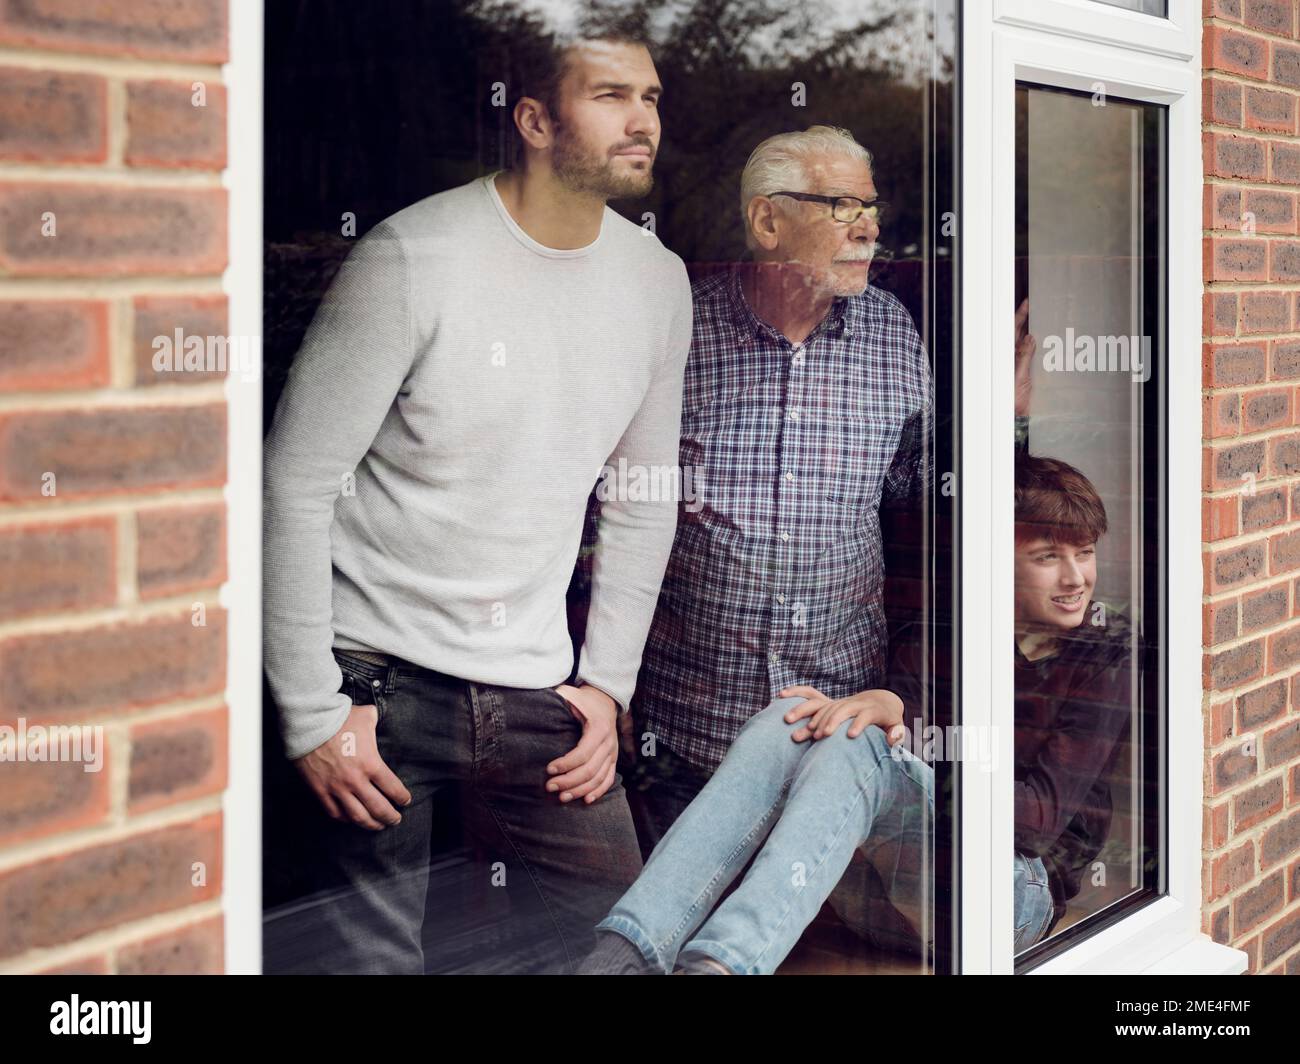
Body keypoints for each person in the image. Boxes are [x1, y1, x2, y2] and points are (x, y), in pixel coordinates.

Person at [262, 31, 692, 973]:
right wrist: (311, 710)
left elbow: (643, 495)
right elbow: (293, 483)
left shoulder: (658, 283)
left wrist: (608, 685)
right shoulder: (412, 259)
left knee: (618, 945)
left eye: (651, 98)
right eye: (611, 96)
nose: (644, 120)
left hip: (537, 687)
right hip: (373, 684)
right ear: (534, 120)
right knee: (368, 964)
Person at [579, 453, 1131, 973]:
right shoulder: (950, 631)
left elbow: (1035, 823)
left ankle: (722, 964)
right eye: (1047, 557)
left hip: (1005, 902)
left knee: (858, 740)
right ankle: (625, 950)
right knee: (792, 716)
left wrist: (897, 742)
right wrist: (888, 710)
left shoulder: (1106, 656)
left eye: (1084, 553)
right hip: (886, 907)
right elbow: (909, 709)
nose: (1075, 578)